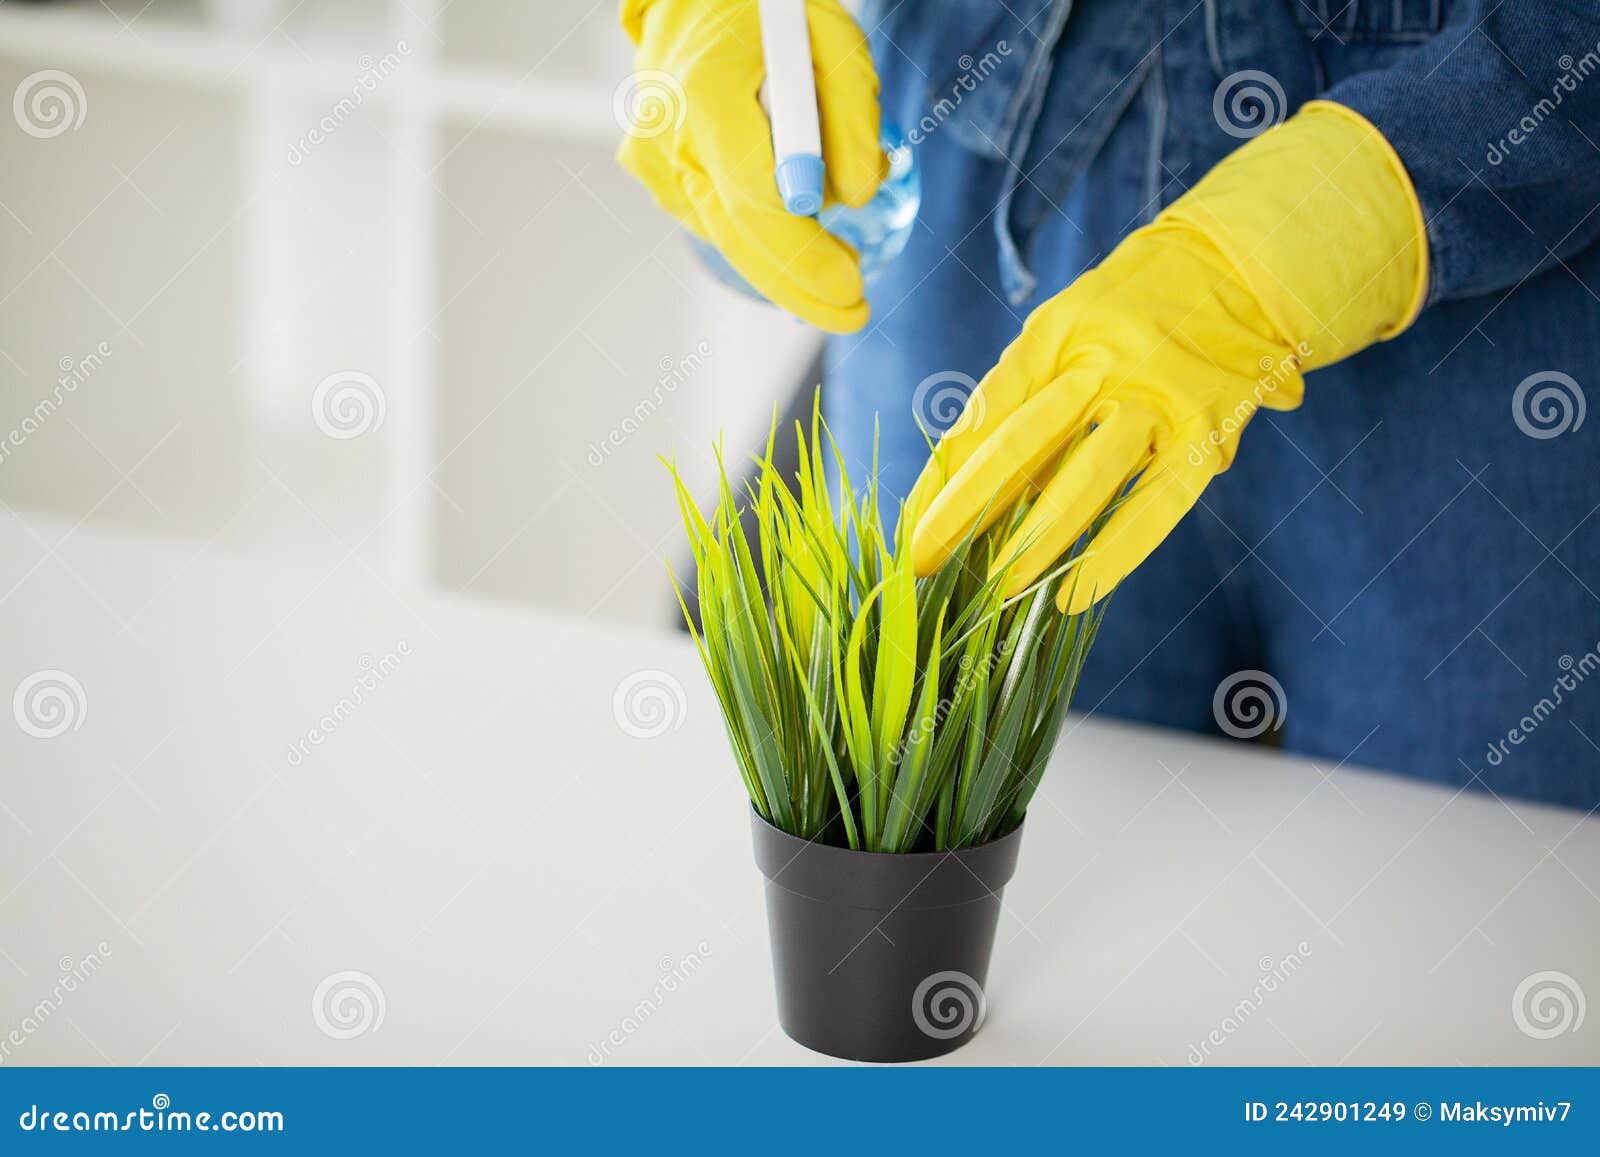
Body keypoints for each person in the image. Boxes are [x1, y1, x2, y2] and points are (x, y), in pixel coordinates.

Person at [616, 0, 1600, 811]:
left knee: (1459, 930)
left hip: (1488, 255)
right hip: (978, 166)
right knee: (948, 923)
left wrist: (1351, 211)